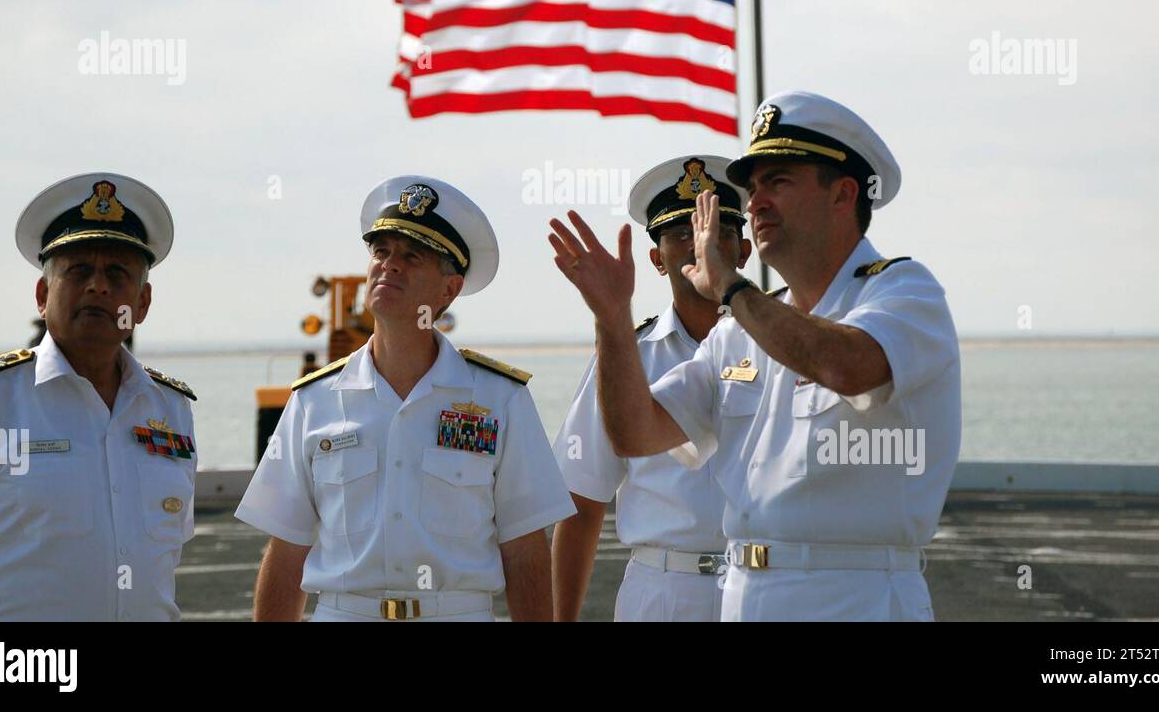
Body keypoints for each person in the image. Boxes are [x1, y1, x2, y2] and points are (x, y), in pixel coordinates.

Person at [548, 91, 961, 621]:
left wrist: (731, 290)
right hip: (746, 598)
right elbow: (635, 432)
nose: (755, 202)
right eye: (755, 186)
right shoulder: (739, 329)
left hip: (856, 598)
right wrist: (611, 319)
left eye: (779, 181)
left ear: (843, 194)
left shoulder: (905, 293)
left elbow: (847, 366)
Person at [236, 176, 576, 621]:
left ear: (449, 290)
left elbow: (524, 549)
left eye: (412, 256)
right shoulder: (314, 401)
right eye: (381, 252)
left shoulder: (500, 399)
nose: (389, 265)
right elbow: (286, 548)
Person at [0, 173, 195, 621]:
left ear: (142, 304)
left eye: (117, 274)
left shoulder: (170, 409)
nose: (99, 287)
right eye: (79, 271)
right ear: (42, 295)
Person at [551, 155, 755, 621]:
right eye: (681, 235)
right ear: (656, 260)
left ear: (743, 251)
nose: (699, 245)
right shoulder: (626, 356)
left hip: (766, 583)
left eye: (717, 230)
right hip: (663, 592)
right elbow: (583, 501)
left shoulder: (779, 346)